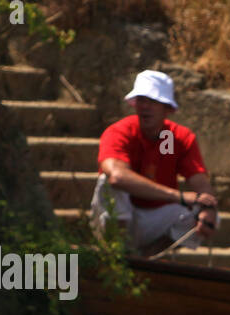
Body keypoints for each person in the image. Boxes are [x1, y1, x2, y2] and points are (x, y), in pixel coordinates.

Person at [91, 70, 219, 254]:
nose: (145, 107)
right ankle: (117, 253)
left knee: (206, 213)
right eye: (141, 100)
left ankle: (150, 259)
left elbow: (201, 183)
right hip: (119, 217)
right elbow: (117, 177)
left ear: (167, 108)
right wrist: (179, 196)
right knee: (108, 183)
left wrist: (209, 208)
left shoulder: (180, 138)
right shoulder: (119, 131)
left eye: (153, 102)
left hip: (155, 217)